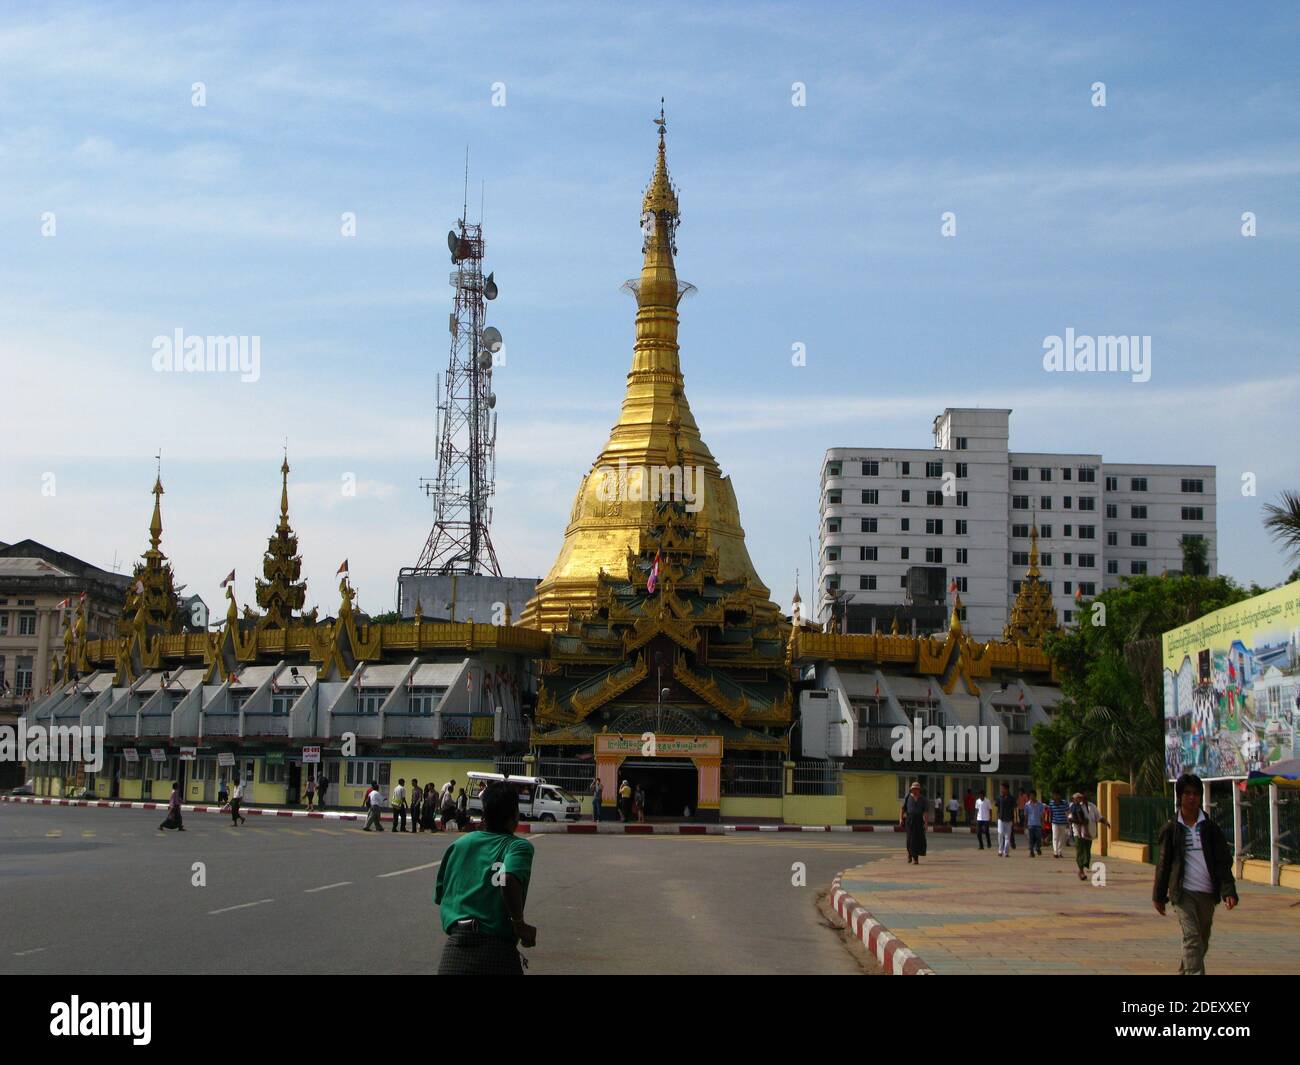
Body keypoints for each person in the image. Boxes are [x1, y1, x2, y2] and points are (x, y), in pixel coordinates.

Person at [435, 781, 537, 975]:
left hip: (455, 950)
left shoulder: (459, 845)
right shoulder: (516, 846)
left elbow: (442, 894)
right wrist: (519, 923)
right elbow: (507, 878)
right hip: (496, 951)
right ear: (514, 814)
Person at [1153, 773, 1238, 975]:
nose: (1192, 798)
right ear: (1180, 797)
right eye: (1187, 793)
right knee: (1191, 938)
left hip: (1207, 894)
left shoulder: (1210, 829)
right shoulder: (1172, 829)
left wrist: (1229, 890)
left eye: (1196, 794)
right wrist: (1159, 895)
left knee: (1201, 941)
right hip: (1183, 893)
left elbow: (1223, 862)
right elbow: (1164, 864)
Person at [1071, 791, 1109, 881]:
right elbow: (1070, 818)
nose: (1085, 797)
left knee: (1087, 852)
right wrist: (1080, 822)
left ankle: (1083, 867)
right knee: (1080, 851)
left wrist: (1106, 822)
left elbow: (1099, 817)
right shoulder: (1075, 806)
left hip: (1090, 833)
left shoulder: (1092, 806)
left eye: (1087, 795)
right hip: (1079, 833)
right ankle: (1081, 871)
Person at [900, 782, 928, 863]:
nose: (914, 791)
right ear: (911, 790)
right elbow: (902, 809)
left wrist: (926, 823)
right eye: (913, 789)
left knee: (918, 839)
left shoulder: (923, 799)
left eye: (916, 789)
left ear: (919, 790)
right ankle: (909, 854)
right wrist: (901, 819)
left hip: (919, 820)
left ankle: (916, 858)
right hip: (910, 819)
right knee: (910, 838)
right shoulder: (908, 797)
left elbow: (925, 812)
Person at [1046, 789, 1071, 858]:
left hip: (1063, 822)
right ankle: (1055, 852)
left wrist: (1068, 821)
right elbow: (1050, 812)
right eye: (1053, 795)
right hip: (1055, 822)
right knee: (1055, 837)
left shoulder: (1065, 803)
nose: (1055, 796)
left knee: (1062, 838)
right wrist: (1050, 821)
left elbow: (1067, 813)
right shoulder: (1051, 803)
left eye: (1056, 795)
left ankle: (1060, 852)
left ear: (1059, 796)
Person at [996, 782, 1015, 857]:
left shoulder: (1012, 798)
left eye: (1002, 788)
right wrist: (998, 816)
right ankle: (1000, 851)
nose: (1001, 790)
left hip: (1009, 820)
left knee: (1007, 837)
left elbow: (1014, 808)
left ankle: (1006, 852)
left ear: (1006, 789)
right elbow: (997, 807)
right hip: (1001, 819)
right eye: (1000, 788)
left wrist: (1014, 819)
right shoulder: (999, 798)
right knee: (1000, 834)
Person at [1023, 790, 1044, 857]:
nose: (1031, 797)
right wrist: (1025, 825)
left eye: (1032, 796)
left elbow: (1042, 815)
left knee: (1038, 838)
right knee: (1031, 839)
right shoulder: (1027, 805)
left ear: (1035, 796)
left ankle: (1038, 848)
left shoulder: (1040, 805)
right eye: (1030, 796)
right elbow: (1026, 815)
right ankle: (1031, 851)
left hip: (1038, 824)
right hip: (1030, 824)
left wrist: (1042, 823)